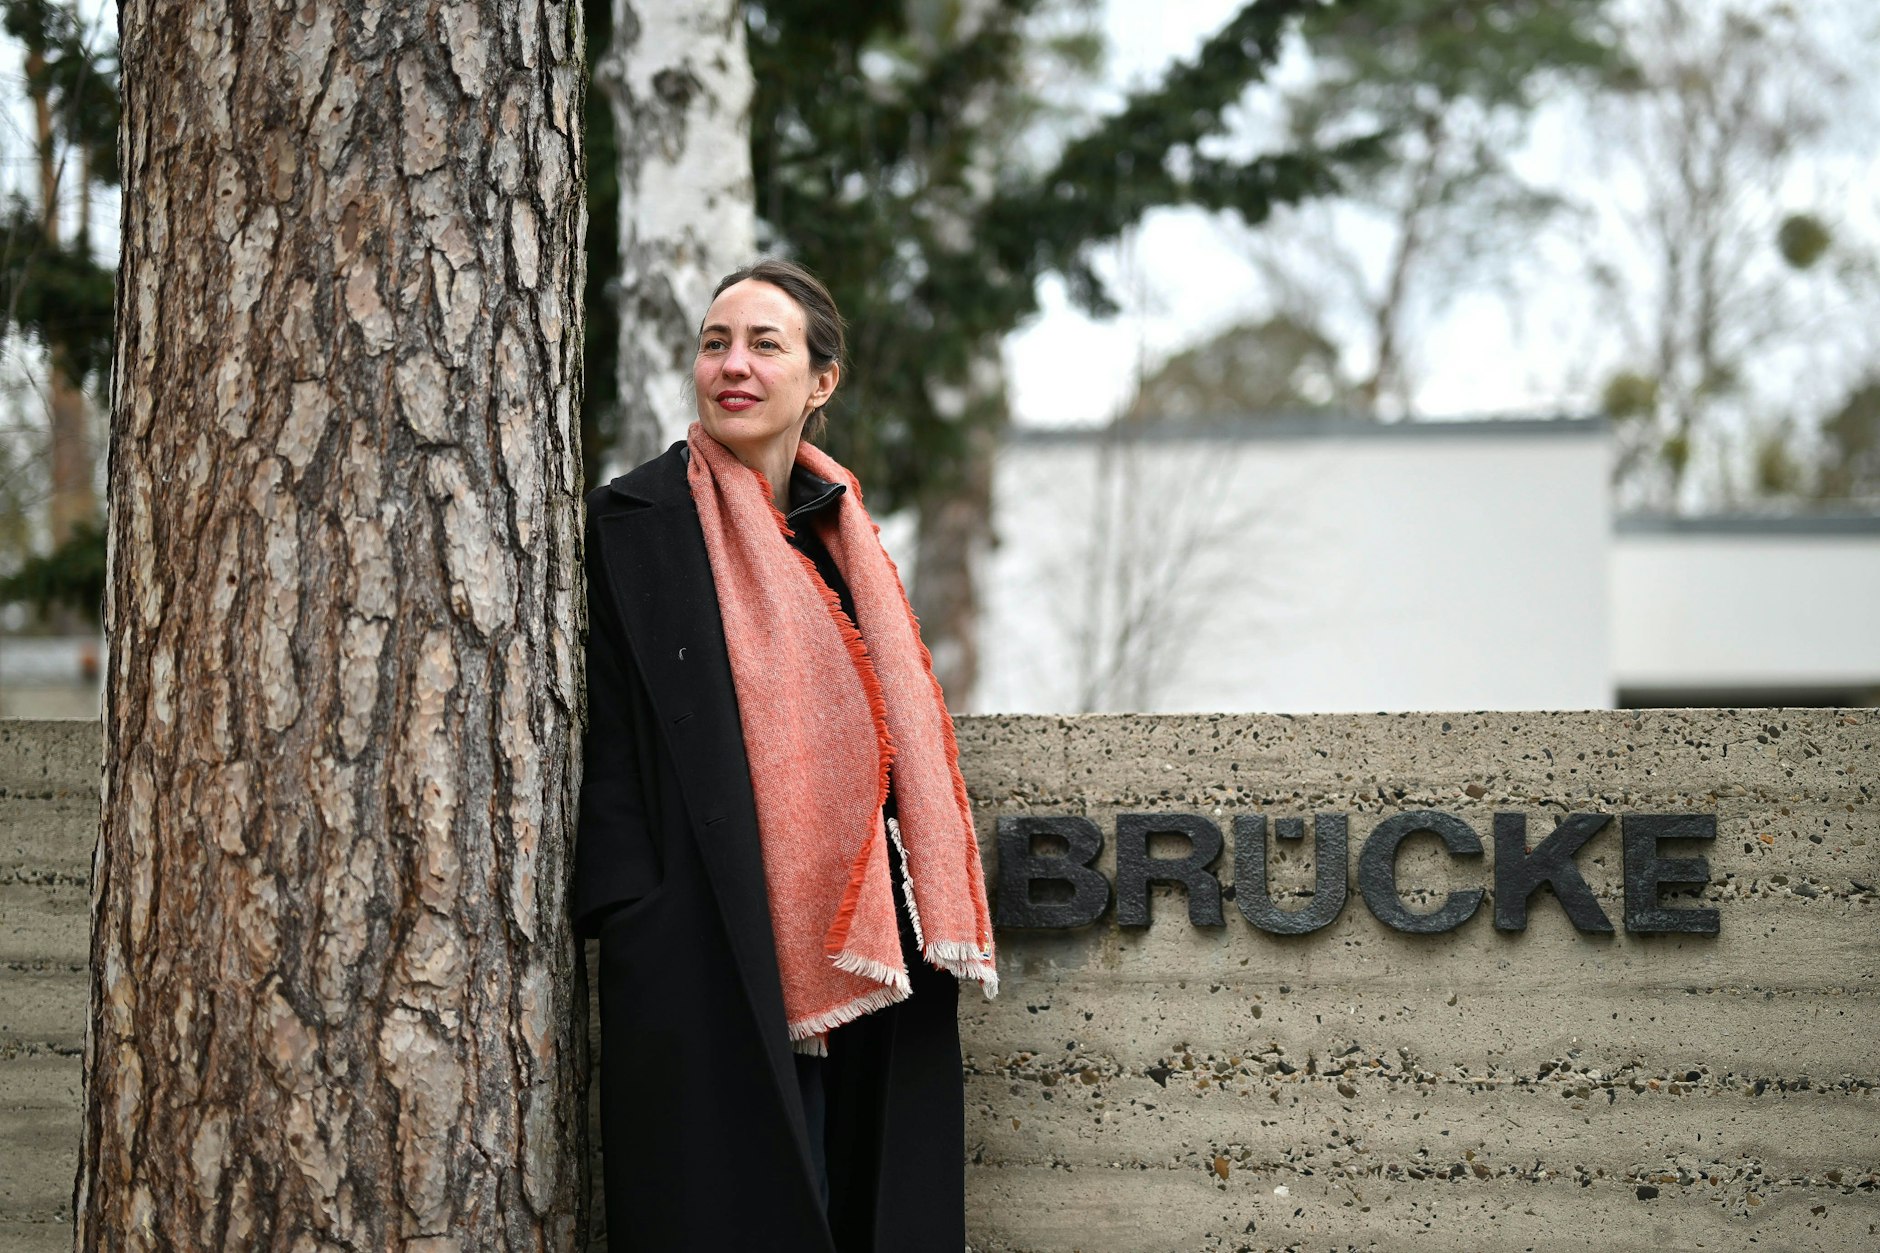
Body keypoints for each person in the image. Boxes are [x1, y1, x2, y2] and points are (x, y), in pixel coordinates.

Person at [574, 259, 998, 1252]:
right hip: (706, 937)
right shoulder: (631, 525)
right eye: (715, 341)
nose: (733, 364)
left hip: (866, 946)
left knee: (861, 1200)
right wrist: (630, 907)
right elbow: (601, 725)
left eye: (765, 345)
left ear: (820, 381)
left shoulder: (844, 542)